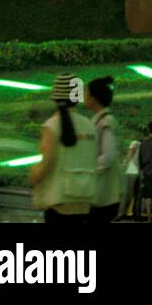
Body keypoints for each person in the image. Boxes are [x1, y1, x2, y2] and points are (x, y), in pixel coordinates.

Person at [29, 74, 98, 222]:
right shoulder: (90, 126)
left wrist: (33, 175)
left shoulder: (52, 126)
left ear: (55, 98)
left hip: (58, 204)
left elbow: (45, 165)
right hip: (83, 203)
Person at [86, 75, 121, 222]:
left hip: (103, 196)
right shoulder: (99, 119)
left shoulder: (106, 122)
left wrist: (89, 168)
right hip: (102, 194)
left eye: (86, 93)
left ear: (93, 98)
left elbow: (109, 155)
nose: (84, 97)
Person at [118, 139, 141, 219]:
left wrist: (124, 164)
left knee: (126, 194)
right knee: (137, 195)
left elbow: (130, 153)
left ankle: (121, 213)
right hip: (140, 171)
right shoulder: (144, 144)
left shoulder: (135, 142)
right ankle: (136, 214)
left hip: (131, 170)